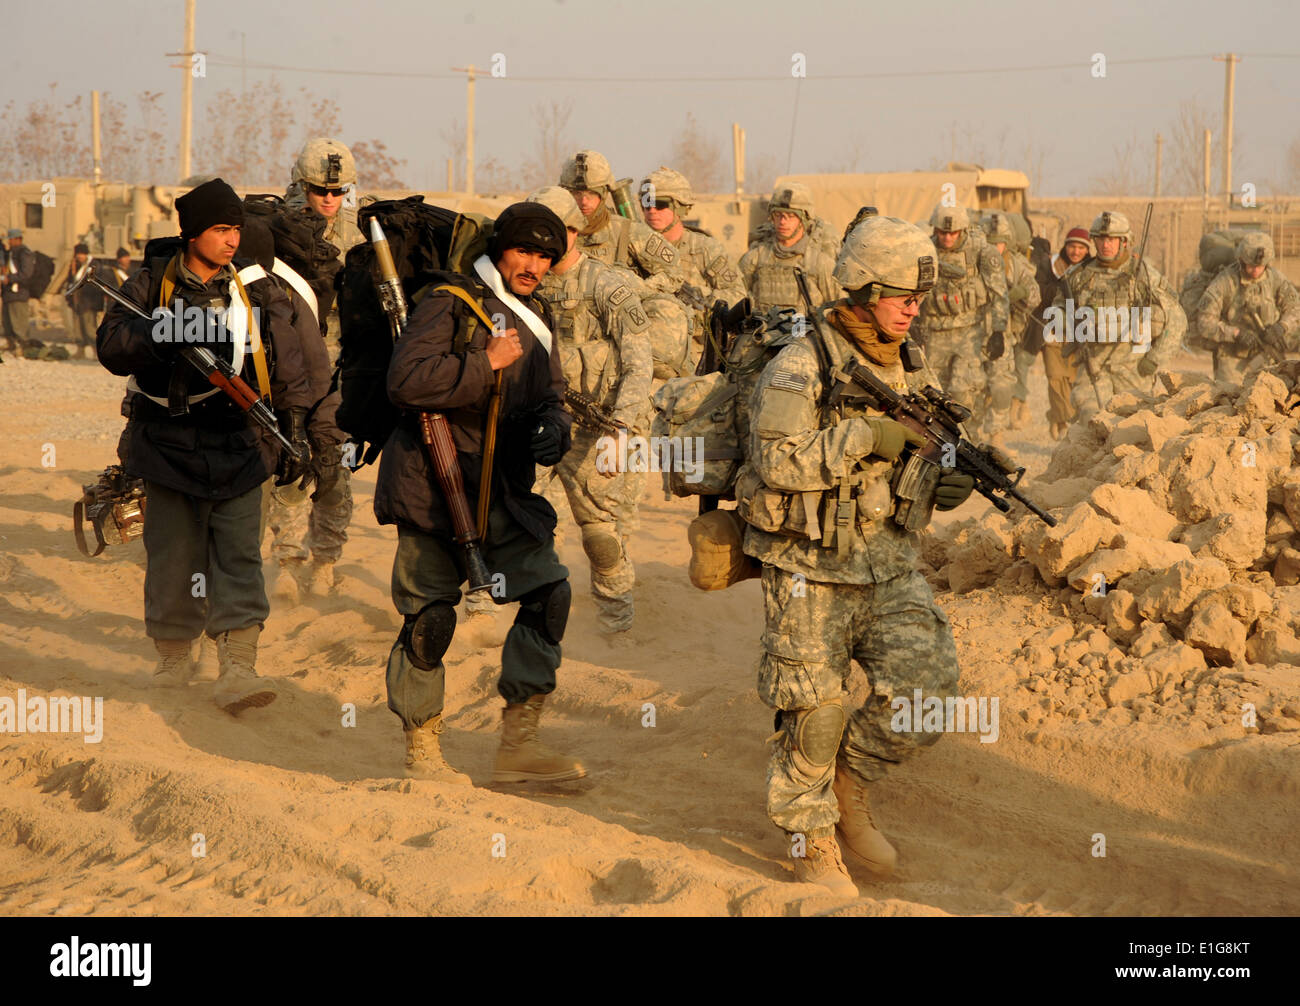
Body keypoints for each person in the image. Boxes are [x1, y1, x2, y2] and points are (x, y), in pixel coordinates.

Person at [738, 215, 969, 896]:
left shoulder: (908, 364)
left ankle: (851, 783)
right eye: (902, 293)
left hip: (888, 562)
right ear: (864, 290)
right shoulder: (801, 363)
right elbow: (776, 461)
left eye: (917, 296)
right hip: (808, 567)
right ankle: (810, 836)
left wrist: (946, 474)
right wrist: (864, 436)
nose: (913, 306)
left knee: (926, 694)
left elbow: (917, 460)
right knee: (815, 708)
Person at [375, 201, 585, 785]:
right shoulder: (450, 301)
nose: (534, 265)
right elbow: (405, 381)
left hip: (504, 490)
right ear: (499, 249)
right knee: (430, 618)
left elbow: (553, 393)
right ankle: (422, 751)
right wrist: (484, 362)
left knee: (549, 594)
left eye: (546, 256)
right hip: (433, 484)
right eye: (525, 251)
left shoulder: (536, 315)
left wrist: (553, 426)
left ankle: (519, 743)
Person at [96, 178, 313, 713]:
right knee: (173, 559)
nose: (231, 240)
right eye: (220, 229)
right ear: (191, 233)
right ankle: (173, 659)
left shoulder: (256, 291)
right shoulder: (149, 284)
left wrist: (300, 434)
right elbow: (111, 345)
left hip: (242, 447)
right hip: (167, 447)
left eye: (236, 230)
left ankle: (237, 666)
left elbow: (289, 368)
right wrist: (165, 334)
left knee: (239, 557)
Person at [528, 186, 654, 634]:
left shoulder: (607, 285)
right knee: (520, 523)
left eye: (552, 231)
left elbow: (640, 363)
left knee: (601, 536)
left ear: (574, 231)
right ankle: (505, 619)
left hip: (597, 427)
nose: (540, 242)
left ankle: (616, 628)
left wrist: (619, 431)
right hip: (536, 423)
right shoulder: (522, 285)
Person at [274, 137, 360, 597]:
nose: (330, 199)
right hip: (288, 360)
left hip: (339, 364)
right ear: (299, 185)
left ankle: (325, 560)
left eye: (339, 191)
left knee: (333, 466)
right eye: (320, 190)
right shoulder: (274, 227)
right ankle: (287, 557)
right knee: (288, 459)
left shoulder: (361, 233)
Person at [1051, 210, 1185, 420]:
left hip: (1133, 367)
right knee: (1091, 420)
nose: (1106, 244)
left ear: (1124, 241)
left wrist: (1155, 359)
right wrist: (1070, 325)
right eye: (1102, 239)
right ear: (1094, 241)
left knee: (1133, 425)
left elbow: (1176, 319)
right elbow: (1058, 310)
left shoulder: (1142, 274)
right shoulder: (1077, 276)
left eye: (1112, 239)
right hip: (1092, 364)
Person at [913, 204, 1008, 438]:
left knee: (964, 391)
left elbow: (999, 294)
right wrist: (913, 323)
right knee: (932, 392)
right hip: (934, 333)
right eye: (942, 232)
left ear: (963, 230)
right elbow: (913, 291)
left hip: (970, 334)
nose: (946, 237)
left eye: (952, 233)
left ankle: (969, 442)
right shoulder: (924, 250)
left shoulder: (982, 253)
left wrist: (998, 331)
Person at [559, 150, 681, 292]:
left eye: (592, 193)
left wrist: (636, 290)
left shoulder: (626, 231)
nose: (584, 201)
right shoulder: (556, 232)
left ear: (604, 193)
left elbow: (673, 273)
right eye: (577, 194)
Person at [1194, 233, 1300, 383]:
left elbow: (1295, 308)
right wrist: (1235, 334)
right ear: (1242, 261)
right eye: (1251, 266)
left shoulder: (1275, 279)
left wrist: (1281, 327)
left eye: (1260, 267)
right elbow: (1204, 322)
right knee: (1230, 401)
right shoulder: (1225, 281)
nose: (1256, 271)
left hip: (1267, 356)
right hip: (1232, 360)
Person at [640, 166, 746, 311]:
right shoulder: (634, 248)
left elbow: (737, 294)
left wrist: (700, 296)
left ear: (680, 207)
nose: (651, 211)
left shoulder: (705, 249)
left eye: (660, 204)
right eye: (647, 204)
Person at [739, 182, 842, 315]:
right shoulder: (755, 258)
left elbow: (839, 307)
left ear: (804, 219)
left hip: (802, 331)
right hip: (763, 332)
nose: (782, 221)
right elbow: (737, 296)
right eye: (778, 215)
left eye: (791, 216)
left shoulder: (819, 263)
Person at [982, 213, 1040, 435]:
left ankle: (996, 437)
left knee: (1002, 387)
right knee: (971, 388)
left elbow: (1035, 295)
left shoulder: (1015, 264)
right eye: (990, 243)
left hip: (1003, 335)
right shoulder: (972, 263)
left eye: (999, 243)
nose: (995, 248)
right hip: (972, 335)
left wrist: (1021, 292)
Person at [60, 243, 105, 360]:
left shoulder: (93, 265)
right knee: (78, 328)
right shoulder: (74, 265)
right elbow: (71, 281)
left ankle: (96, 352)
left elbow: (95, 284)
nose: (80, 256)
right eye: (78, 254)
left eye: (82, 254)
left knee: (90, 328)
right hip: (77, 301)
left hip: (89, 302)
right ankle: (80, 350)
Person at [3, 228, 36, 353]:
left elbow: (26, 274)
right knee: (8, 323)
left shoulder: (24, 253)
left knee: (19, 324)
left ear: (18, 239)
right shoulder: (10, 253)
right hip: (9, 294)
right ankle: (11, 344)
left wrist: (9, 278)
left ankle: (22, 347)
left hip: (19, 293)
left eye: (11, 240)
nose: (9, 242)